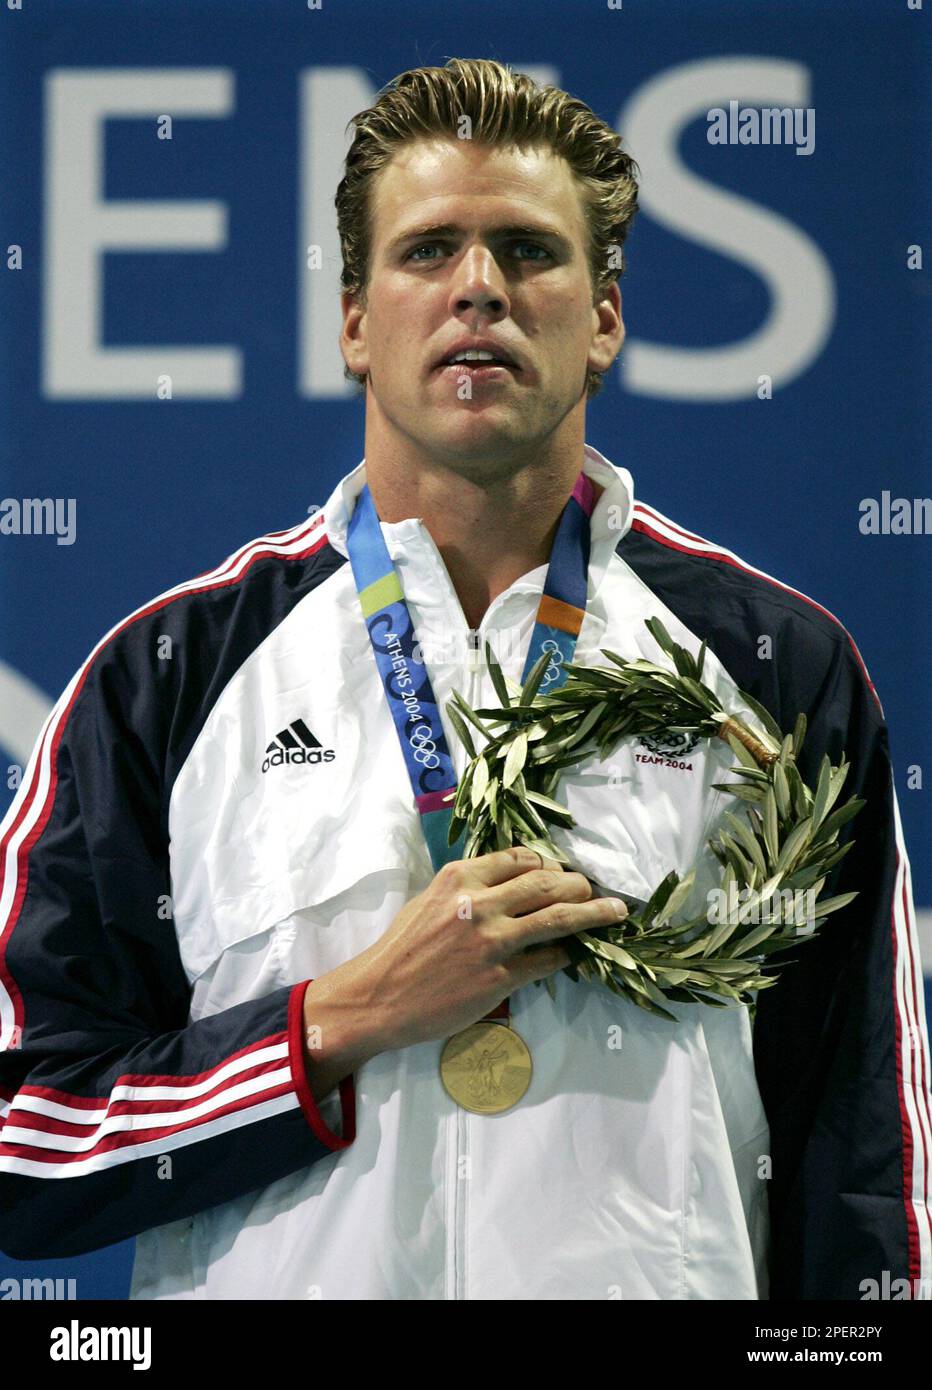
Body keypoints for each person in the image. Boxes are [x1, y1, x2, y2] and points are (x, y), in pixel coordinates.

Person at [0, 57, 928, 1302]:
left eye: (528, 253)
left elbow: (861, 1152)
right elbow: (27, 1145)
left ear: (602, 319)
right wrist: (334, 1022)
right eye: (428, 249)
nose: (478, 288)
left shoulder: (775, 666)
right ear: (351, 321)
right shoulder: (166, 676)